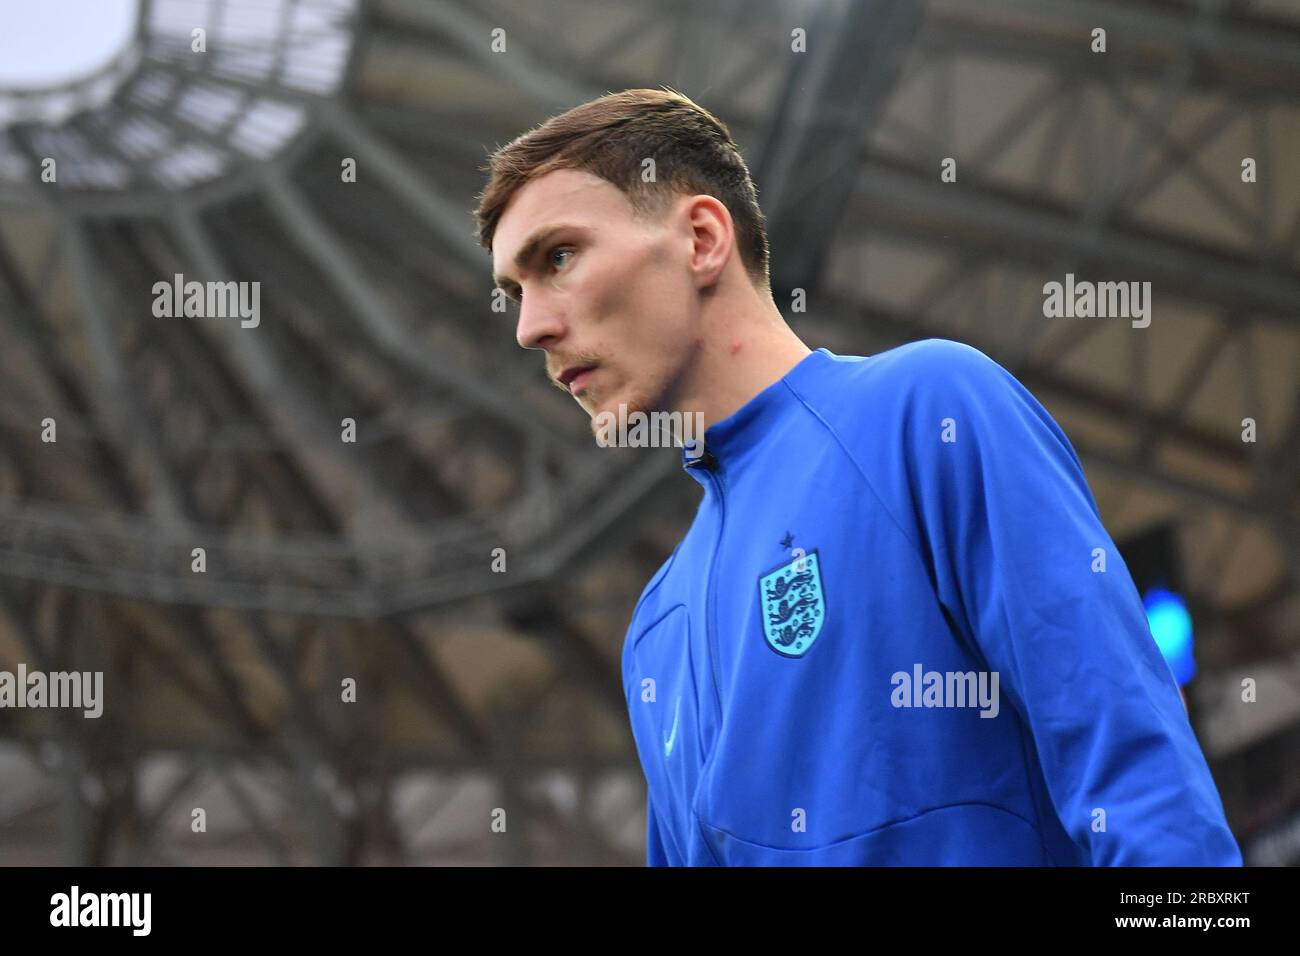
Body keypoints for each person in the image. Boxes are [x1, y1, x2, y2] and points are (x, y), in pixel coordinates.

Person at [473, 87, 1241, 866]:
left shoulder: (928, 410)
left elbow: (1135, 770)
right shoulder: (655, 631)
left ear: (702, 238)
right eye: (514, 293)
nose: (531, 327)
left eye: (559, 258)